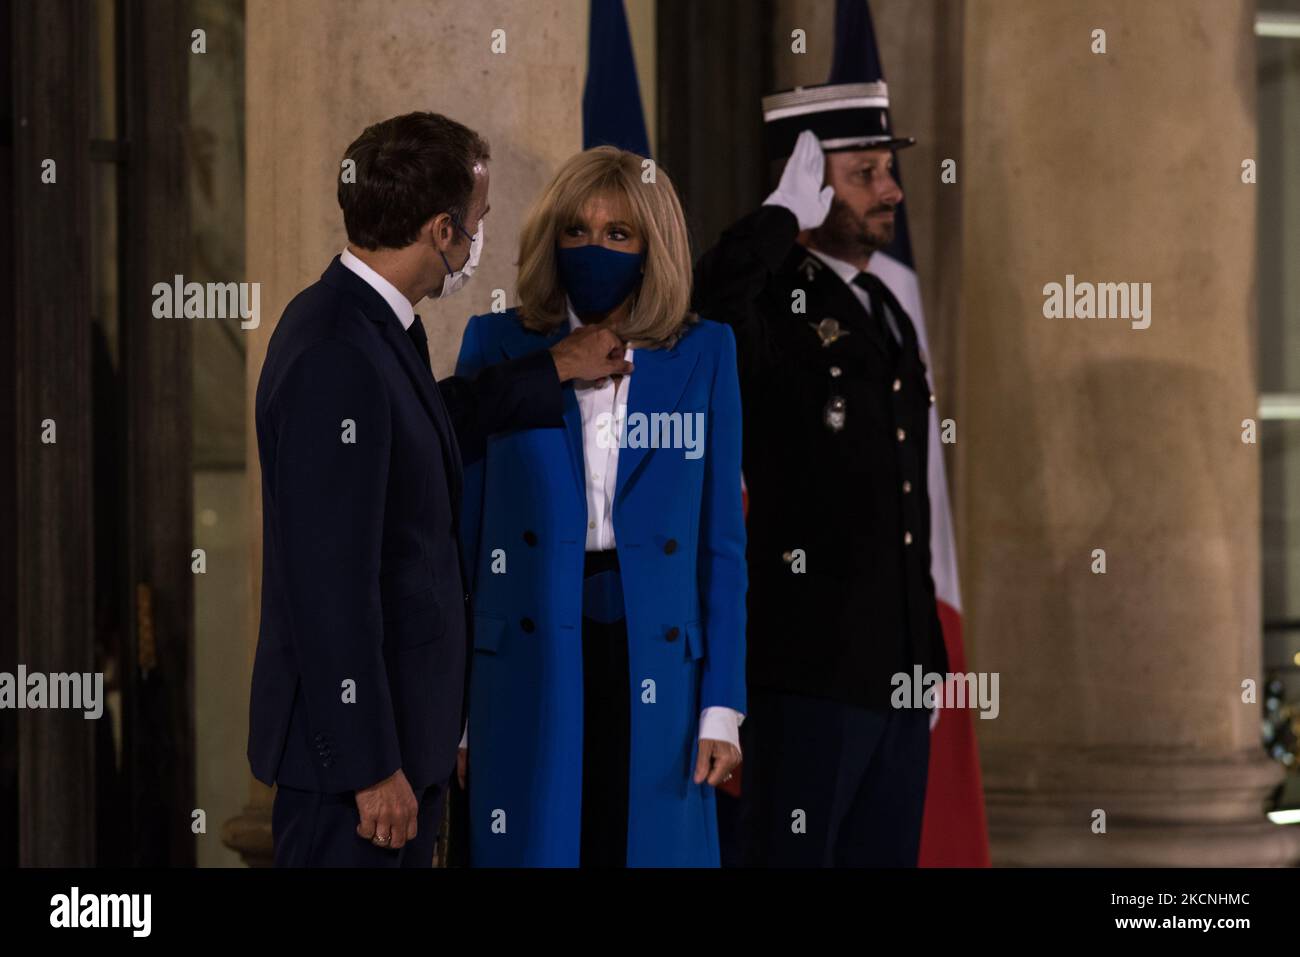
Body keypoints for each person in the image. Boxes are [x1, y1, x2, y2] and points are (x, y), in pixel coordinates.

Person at [247, 112, 630, 867]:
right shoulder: (337, 351)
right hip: (356, 773)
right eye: (479, 220)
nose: (481, 237)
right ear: (442, 230)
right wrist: (370, 767)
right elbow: (329, 583)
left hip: (391, 753)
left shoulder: (369, 326)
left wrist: (549, 368)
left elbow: (426, 432)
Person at [455, 146, 747, 867]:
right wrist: (456, 714)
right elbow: (462, 542)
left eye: (620, 233)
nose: (595, 247)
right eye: (577, 230)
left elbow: (722, 546)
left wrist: (723, 705)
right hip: (527, 649)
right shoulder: (498, 344)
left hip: (659, 659)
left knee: (640, 844)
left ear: (653, 246)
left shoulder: (705, 352)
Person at [693, 82, 948, 867]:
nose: (892, 191)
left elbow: (903, 501)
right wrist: (778, 219)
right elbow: (708, 301)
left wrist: (924, 657)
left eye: (888, 171)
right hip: (810, 666)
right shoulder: (769, 297)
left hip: (894, 671)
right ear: (806, 181)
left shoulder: (883, 303)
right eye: (864, 173)